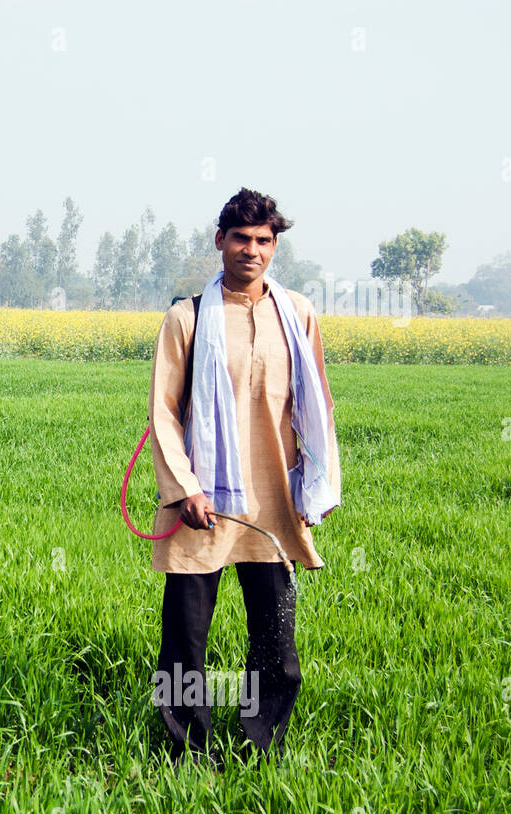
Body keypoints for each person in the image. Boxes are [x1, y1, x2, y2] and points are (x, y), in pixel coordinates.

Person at [147, 187, 341, 764]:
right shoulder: (189, 316)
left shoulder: (298, 313)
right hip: (202, 505)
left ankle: (263, 743)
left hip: (273, 505)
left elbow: (316, 407)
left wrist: (318, 484)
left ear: (274, 246)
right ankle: (184, 749)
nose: (251, 250)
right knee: (184, 640)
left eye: (263, 240)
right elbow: (163, 410)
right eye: (240, 238)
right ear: (220, 242)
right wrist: (185, 488)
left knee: (275, 641)